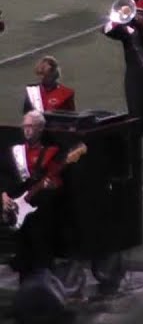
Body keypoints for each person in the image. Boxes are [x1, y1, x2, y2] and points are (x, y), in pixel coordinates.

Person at [102, 0, 143, 175]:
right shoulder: (125, 29)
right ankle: (132, 162)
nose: (139, 16)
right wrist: (120, 19)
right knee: (135, 124)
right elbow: (105, 29)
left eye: (142, 14)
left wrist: (139, 25)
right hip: (135, 81)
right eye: (136, 13)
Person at [1, 111, 68, 279]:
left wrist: (52, 185)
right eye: (25, 126)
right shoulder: (15, 152)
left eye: (31, 126)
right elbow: (4, 176)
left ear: (40, 129)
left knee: (42, 258)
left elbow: (58, 181)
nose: (27, 130)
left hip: (40, 214)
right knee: (23, 258)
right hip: (18, 212)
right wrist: (3, 195)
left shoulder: (51, 152)